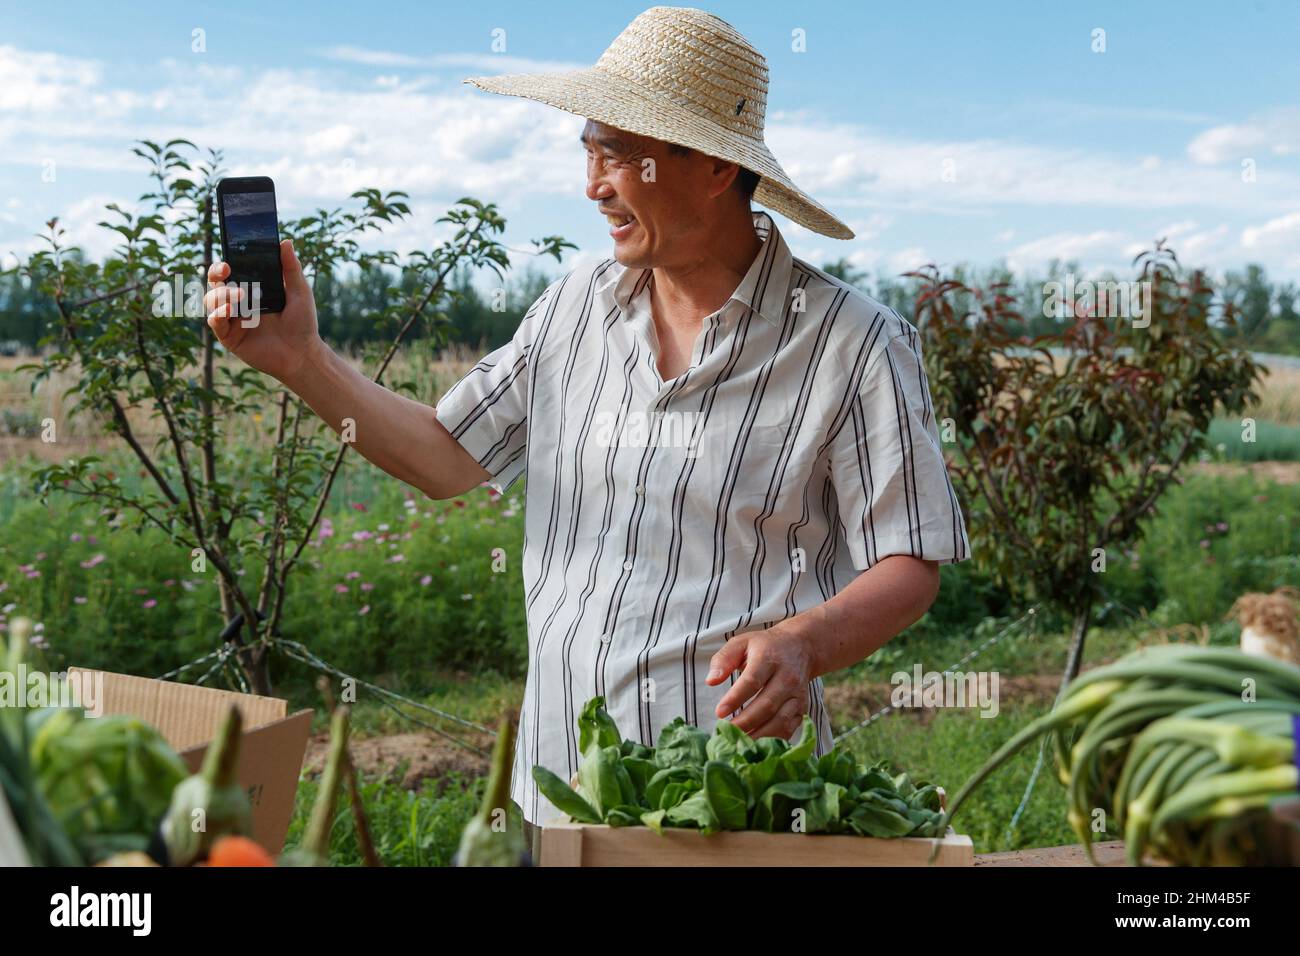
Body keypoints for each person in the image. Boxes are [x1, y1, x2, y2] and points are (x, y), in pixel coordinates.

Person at [205, 6, 971, 864]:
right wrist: (299, 358)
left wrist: (804, 643)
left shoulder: (853, 340)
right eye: (589, 152)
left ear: (715, 165)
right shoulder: (574, 307)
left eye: (616, 154)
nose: (593, 184)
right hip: (561, 798)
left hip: (740, 806)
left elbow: (910, 560)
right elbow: (445, 456)